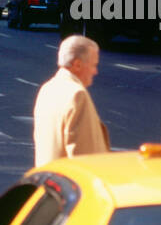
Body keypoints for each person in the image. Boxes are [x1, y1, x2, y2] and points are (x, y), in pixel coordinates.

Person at [33, 35, 110, 165]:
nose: (95, 71)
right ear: (77, 65)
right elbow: (85, 156)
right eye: (94, 65)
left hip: (48, 178)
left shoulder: (47, 89)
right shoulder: (77, 95)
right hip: (71, 181)